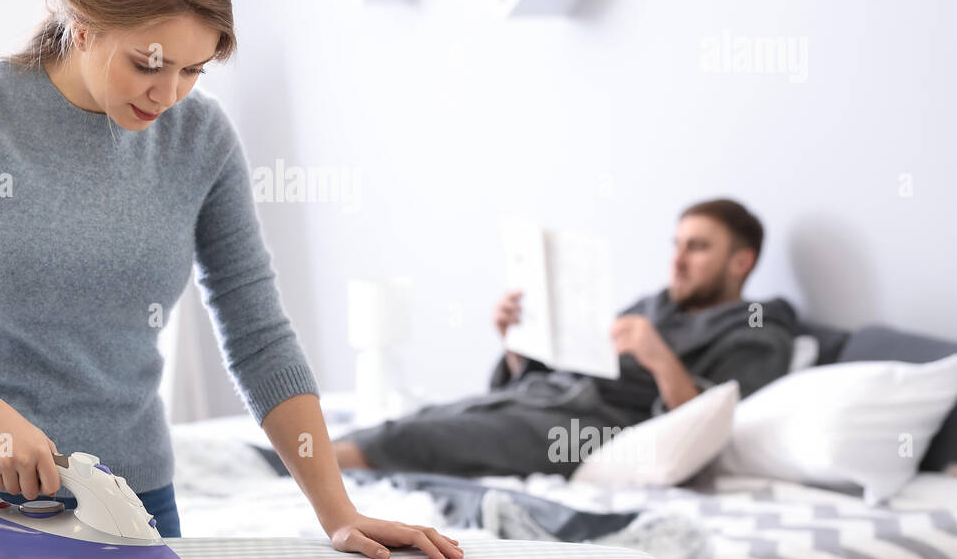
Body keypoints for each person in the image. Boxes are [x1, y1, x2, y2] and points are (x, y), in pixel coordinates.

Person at [0, 0, 460, 559]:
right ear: (82, 23)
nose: (169, 94)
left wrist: (338, 513)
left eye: (193, 71)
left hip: (135, 500)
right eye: (149, 64)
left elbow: (260, 339)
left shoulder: (200, 141)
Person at [330, 199, 797, 479]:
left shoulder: (760, 331)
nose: (677, 261)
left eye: (697, 247)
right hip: (548, 395)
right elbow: (574, 363)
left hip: (598, 426)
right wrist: (517, 346)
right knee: (417, 418)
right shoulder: (651, 306)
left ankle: (307, 470)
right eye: (675, 244)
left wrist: (659, 360)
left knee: (429, 436)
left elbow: (715, 426)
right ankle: (300, 462)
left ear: (741, 262)